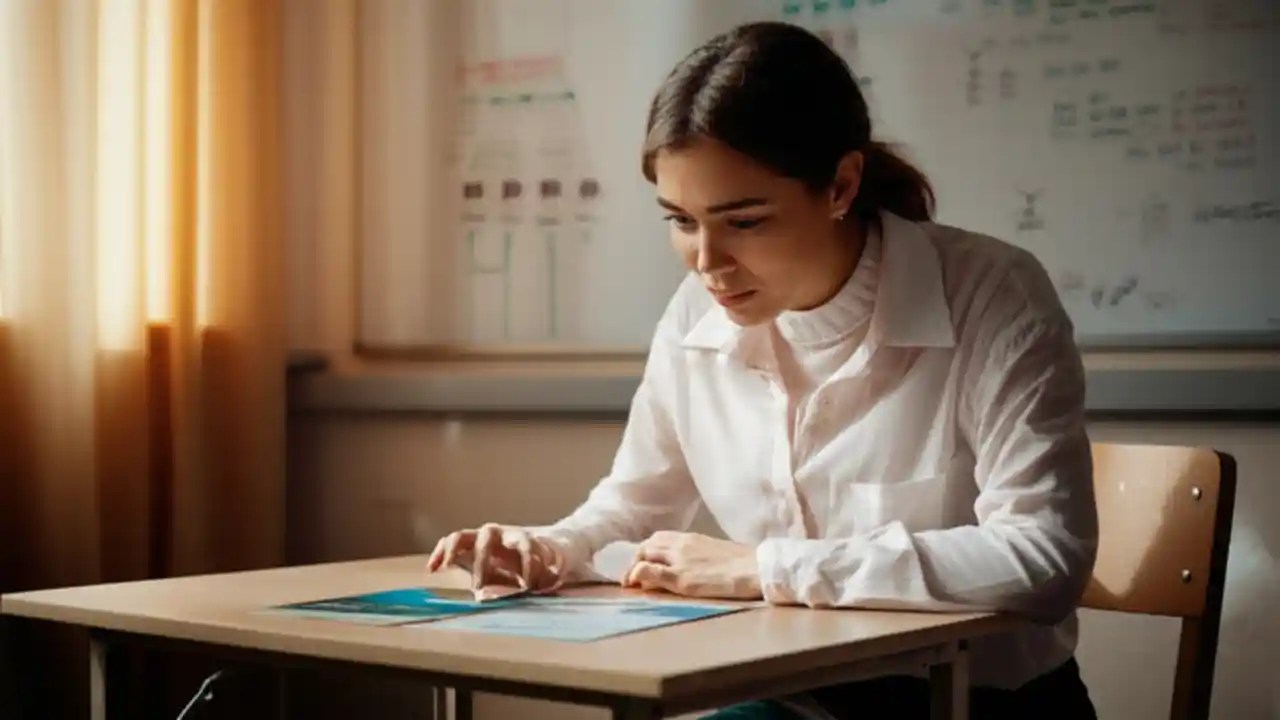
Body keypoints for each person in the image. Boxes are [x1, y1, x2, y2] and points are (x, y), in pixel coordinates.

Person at [427, 21, 1099, 719]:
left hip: (974, 705)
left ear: (841, 184)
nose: (707, 263)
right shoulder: (696, 314)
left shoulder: (992, 294)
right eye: (681, 222)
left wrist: (764, 567)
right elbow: (636, 505)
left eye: (743, 221)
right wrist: (549, 549)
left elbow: (1042, 557)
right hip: (796, 700)